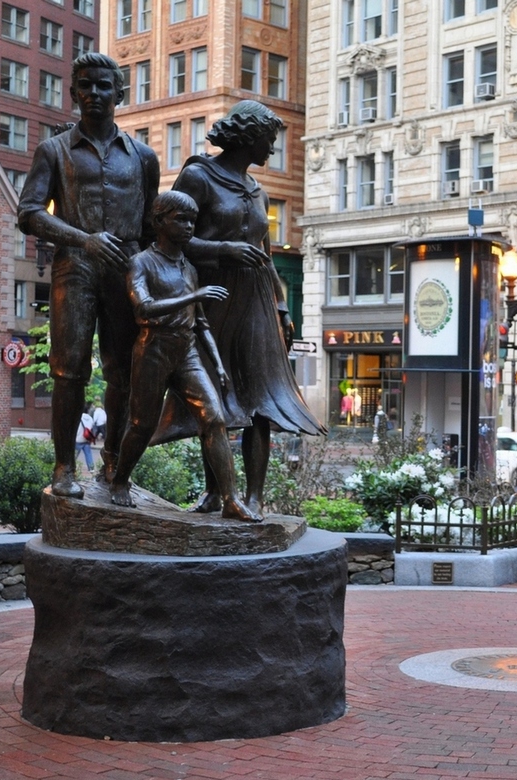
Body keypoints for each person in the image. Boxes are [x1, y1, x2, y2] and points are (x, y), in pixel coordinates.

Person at [157, 100, 324, 514]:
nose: (272, 148)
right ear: (248, 137)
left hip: (256, 305)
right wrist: (222, 250)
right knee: (212, 398)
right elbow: (166, 236)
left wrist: (282, 307)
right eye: (269, 139)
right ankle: (217, 492)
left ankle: (254, 497)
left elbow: (265, 253)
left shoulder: (257, 190)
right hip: (213, 299)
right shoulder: (198, 177)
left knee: (260, 400)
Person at [18, 52, 160, 498]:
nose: (94, 94)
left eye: (104, 86)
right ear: (74, 91)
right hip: (74, 268)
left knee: (124, 373)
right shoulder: (54, 151)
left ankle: (115, 468)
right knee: (69, 370)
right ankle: (64, 468)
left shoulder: (143, 157)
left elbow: (152, 226)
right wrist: (84, 239)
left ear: (120, 94)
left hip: (126, 268)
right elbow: (29, 212)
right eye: (86, 85)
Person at [110, 191, 260, 522]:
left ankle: (231, 499)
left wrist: (218, 365)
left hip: (187, 350)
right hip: (153, 349)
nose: (189, 226)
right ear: (159, 221)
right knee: (142, 424)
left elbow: (201, 322)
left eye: (192, 220)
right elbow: (143, 308)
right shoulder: (141, 262)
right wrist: (194, 295)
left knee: (214, 419)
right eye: (181, 219)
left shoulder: (189, 268)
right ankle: (119, 480)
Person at [75, 403, 95, 475]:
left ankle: (72, 468)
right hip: (87, 439)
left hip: (78, 439)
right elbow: (91, 428)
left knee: (75, 454)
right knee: (88, 454)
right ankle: (91, 468)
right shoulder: (90, 418)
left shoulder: (77, 417)